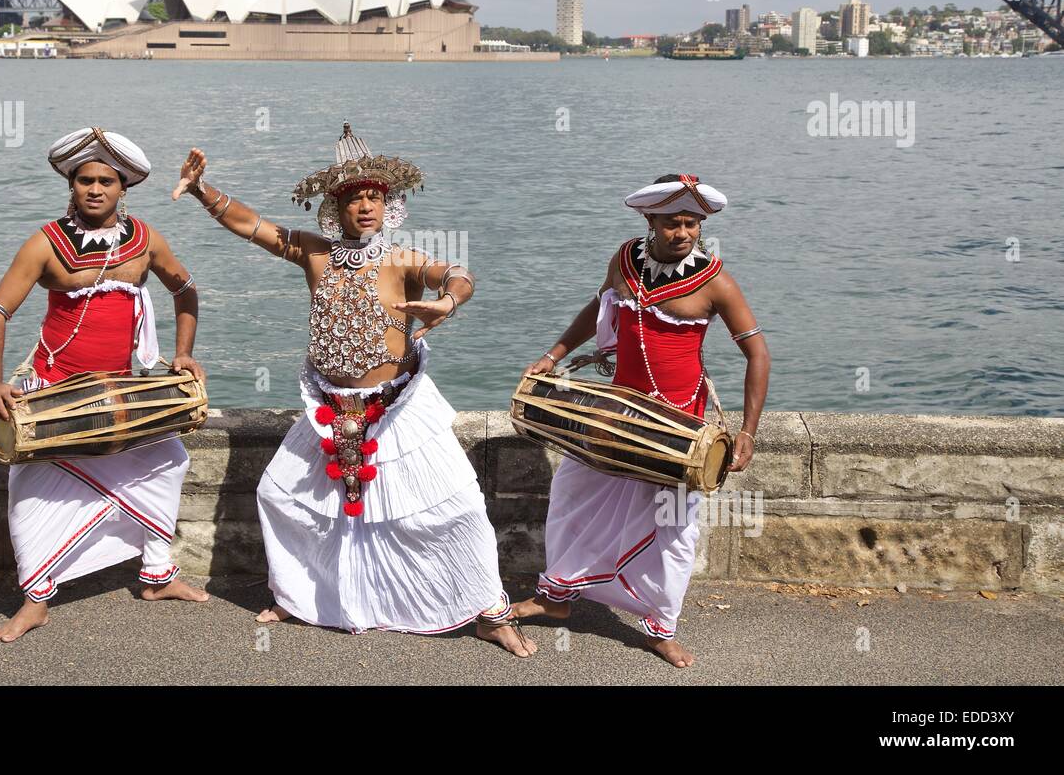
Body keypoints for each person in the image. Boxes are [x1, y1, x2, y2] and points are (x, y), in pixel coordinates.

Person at [171, 123, 536, 657]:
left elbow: (459, 274)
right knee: (279, 495)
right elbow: (254, 227)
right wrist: (202, 190)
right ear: (333, 210)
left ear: (389, 207)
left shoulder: (404, 259)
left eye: (374, 197)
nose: (365, 207)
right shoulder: (315, 254)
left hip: (398, 409)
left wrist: (446, 303)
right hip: (327, 406)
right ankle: (301, 597)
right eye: (353, 199)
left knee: (455, 507)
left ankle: (489, 611)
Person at [512, 174, 770, 667]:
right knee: (571, 496)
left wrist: (748, 432)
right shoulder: (625, 259)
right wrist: (554, 354)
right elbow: (598, 305)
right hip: (616, 412)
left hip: (679, 425)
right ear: (648, 221)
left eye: (692, 223)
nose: (684, 233)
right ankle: (557, 597)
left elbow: (757, 353)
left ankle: (659, 627)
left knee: (673, 527)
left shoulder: (716, 281)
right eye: (672, 222)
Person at [0, 127, 209, 643]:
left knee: (170, 462)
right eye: (86, 180)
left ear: (122, 188)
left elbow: (187, 289)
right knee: (32, 497)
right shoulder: (45, 243)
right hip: (53, 390)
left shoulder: (146, 241)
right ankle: (36, 601)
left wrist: (184, 352)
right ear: (72, 184)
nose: (95, 189)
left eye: (106, 181)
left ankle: (156, 575)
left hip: (120, 392)